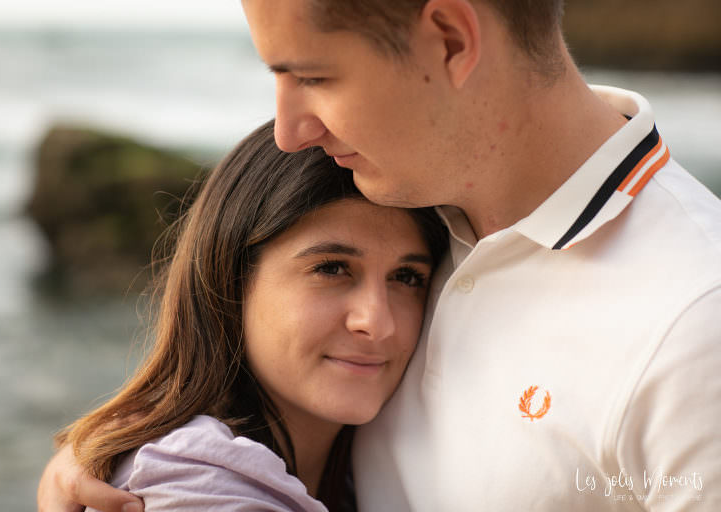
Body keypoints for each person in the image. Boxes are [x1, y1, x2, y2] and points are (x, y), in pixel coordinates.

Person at [40, 1, 721, 510]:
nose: (289, 129)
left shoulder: (693, 322)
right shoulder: (415, 210)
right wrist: (130, 455)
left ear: (451, 40)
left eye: (313, 76)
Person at [41, 119, 448, 512]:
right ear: (232, 280)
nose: (376, 321)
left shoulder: (376, 462)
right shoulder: (188, 485)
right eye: (331, 268)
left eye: (407, 277)